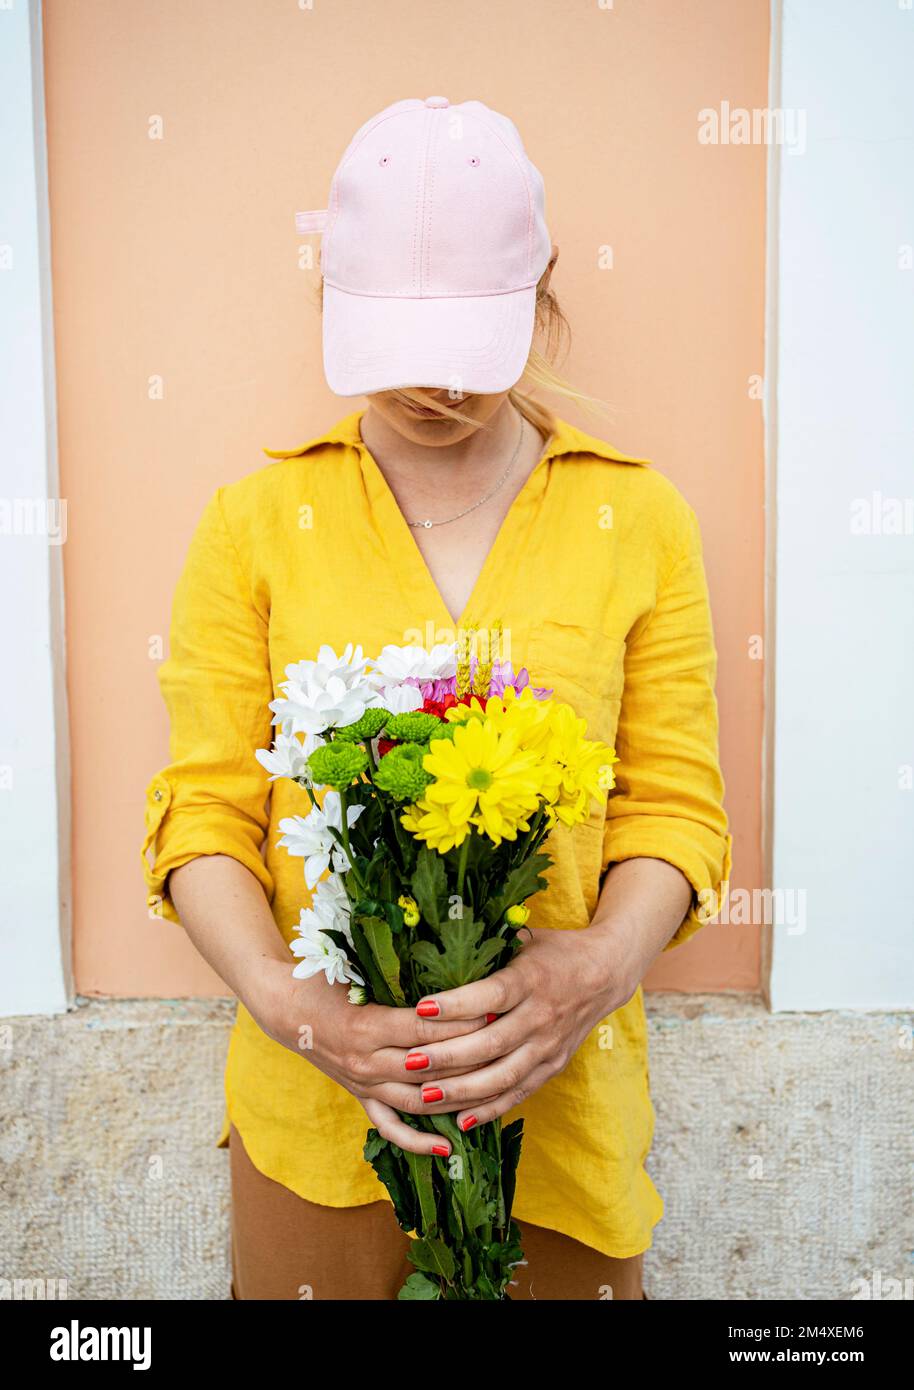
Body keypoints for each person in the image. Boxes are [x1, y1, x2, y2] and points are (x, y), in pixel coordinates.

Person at [141, 96, 731, 1301]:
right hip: (315, 1137)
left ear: (542, 288)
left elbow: (675, 808)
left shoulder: (639, 519)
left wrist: (594, 970)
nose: (432, 387)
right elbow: (201, 817)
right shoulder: (251, 527)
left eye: (468, 341)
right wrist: (295, 1008)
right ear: (330, 298)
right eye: (395, 342)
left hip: (561, 1129)